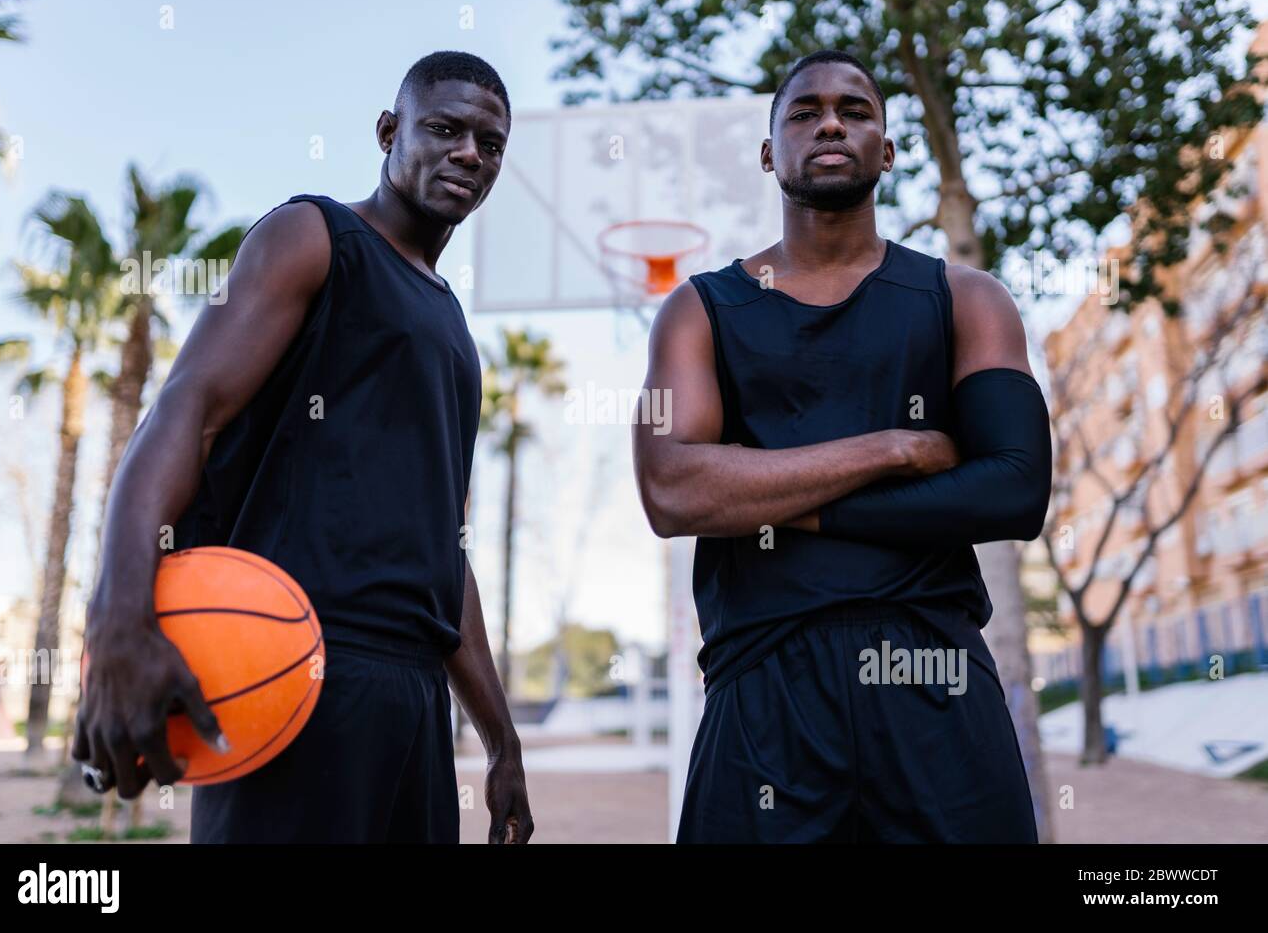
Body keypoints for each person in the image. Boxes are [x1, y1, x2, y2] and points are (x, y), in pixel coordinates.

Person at [75, 51, 533, 844]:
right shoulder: (315, 235)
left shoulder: (454, 326)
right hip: (289, 655)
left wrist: (500, 736)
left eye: (489, 143)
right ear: (388, 132)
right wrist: (118, 617)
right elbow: (188, 411)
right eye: (446, 129)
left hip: (414, 698)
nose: (469, 153)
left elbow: (445, 546)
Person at [633, 50, 1051, 843]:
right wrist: (893, 449)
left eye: (856, 111)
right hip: (763, 685)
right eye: (804, 111)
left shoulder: (966, 296)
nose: (831, 122)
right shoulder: (699, 309)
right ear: (768, 153)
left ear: (887, 151)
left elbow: (1016, 490)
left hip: (934, 675)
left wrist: (783, 507)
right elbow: (672, 490)